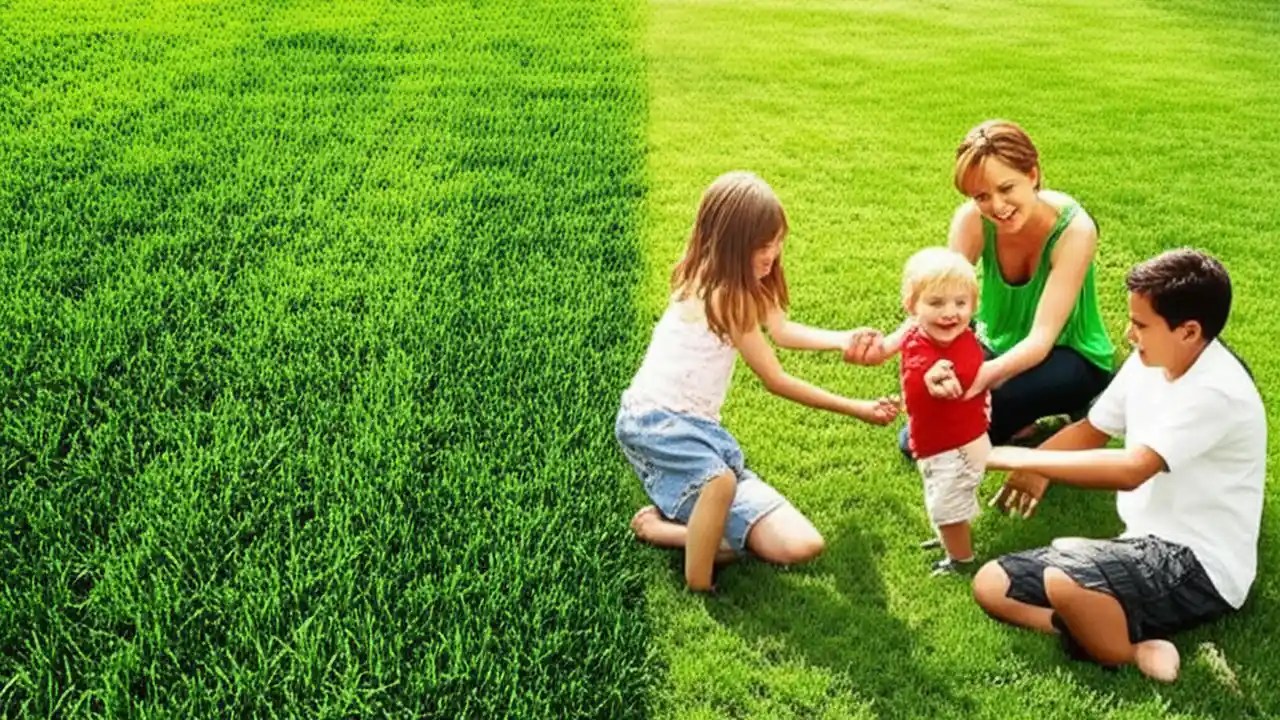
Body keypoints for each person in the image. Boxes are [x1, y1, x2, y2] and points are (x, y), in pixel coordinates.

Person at [972, 249, 1265, 683]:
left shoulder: (1217, 393)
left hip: (1198, 564)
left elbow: (1132, 468)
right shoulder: (1151, 361)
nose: (1129, 334)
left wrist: (1016, 456)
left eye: (1141, 324)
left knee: (1066, 580)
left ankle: (1132, 651)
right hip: (1140, 543)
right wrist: (1040, 469)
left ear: (1189, 331)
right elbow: (1094, 427)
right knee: (992, 583)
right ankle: (1086, 618)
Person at [615, 170, 898, 592]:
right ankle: (700, 583)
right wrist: (857, 408)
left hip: (701, 432)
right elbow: (776, 379)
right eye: (762, 247)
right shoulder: (725, 294)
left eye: (778, 243)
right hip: (656, 426)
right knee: (720, 482)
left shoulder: (739, 280)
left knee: (801, 544)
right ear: (729, 244)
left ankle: (670, 532)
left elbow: (782, 331)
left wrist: (844, 341)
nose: (772, 255)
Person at [847, 120, 1115, 458]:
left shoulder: (1075, 230)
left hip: (1070, 354)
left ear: (1032, 175)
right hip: (996, 343)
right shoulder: (972, 220)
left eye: (1007, 189)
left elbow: (1040, 339)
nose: (998, 207)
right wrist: (886, 347)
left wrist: (982, 377)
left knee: (939, 435)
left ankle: (1086, 399)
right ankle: (1018, 417)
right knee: (920, 430)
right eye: (982, 196)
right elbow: (939, 300)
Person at [867, 248, 992, 575]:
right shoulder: (913, 329)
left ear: (973, 305)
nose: (950, 313)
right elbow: (884, 350)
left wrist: (936, 379)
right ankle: (951, 537)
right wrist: (866, 344)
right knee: (938, 492)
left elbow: (943, 373)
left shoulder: (961, 346)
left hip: (958, 446)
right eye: (936, 303)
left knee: (947, 504)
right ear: (912, 306)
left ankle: (961, 560)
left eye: (960, 304)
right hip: (933, 442)